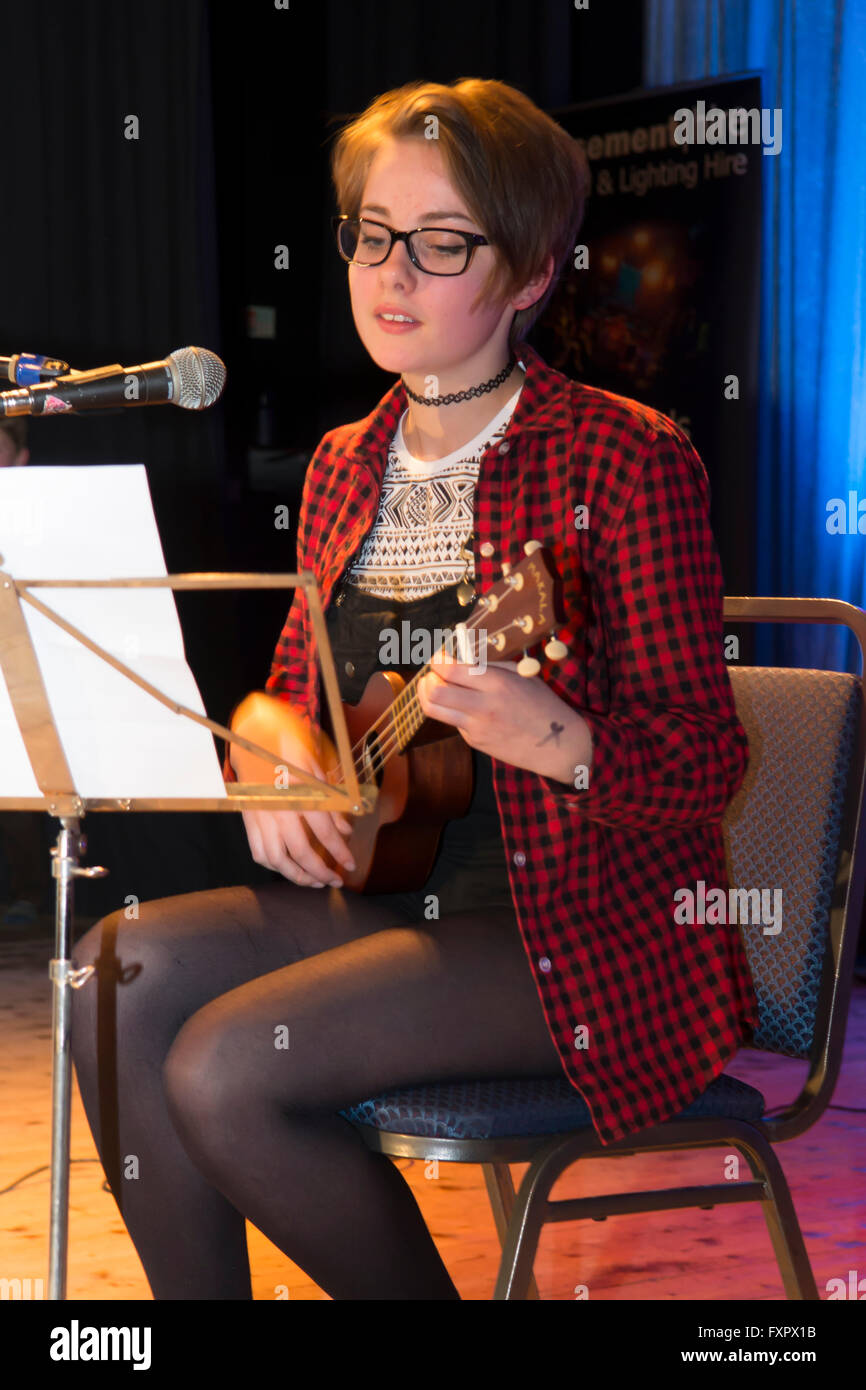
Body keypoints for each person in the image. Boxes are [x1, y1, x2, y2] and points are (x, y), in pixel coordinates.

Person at [69, 78, 759, 1301]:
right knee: (109, 980)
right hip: (386, 901)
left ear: (533, 271)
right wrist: (266, 736)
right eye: (371, 234)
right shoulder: (343, 463)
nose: (391, 272)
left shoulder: (628, 457)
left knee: (227, 1065)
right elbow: (289, 696)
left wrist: (562, 740)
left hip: (585, 937)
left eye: (440, 244)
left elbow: (706, 762)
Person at [0, 416, 48, 926]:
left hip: (17, 672)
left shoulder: (38, 522)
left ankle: (33, 897)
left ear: (20, 462)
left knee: (18, 798)